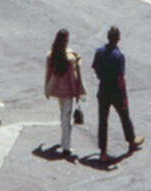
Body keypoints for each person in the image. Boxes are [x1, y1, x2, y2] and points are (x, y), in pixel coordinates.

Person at [92, 26, 143, 163]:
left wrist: (101, 77)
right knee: (124, 115)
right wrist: (124, 96)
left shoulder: (99, 51)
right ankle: (131, 140)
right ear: (118, 39)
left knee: (103, 121)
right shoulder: (119, 56)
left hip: (103, 90)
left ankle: (103, 152)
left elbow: (95, 68)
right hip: (115, 91)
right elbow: (120, 78)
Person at [44, 29, 86, 158]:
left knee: (63, 114)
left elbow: (48, 73)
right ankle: (66, 146)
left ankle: (64, 140)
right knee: (67, 117)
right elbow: (74, 78)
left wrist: (46, 88)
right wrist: (78, 92)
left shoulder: (52, 55)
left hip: (57, 90)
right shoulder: (70, 59)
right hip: (68, 91)